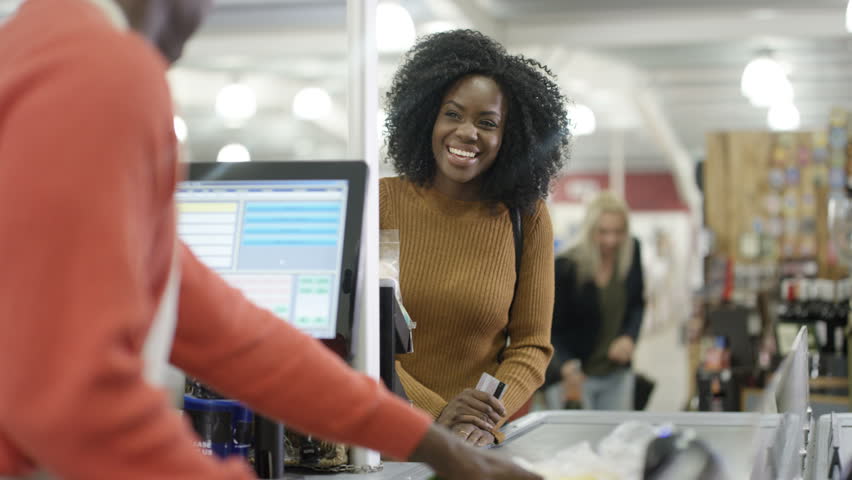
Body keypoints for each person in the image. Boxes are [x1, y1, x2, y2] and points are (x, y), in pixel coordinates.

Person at [0, 2, 540, 479]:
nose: (207, 13)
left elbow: (228, 332)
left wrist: (436, 448)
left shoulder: (39, 42)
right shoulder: (107, 69)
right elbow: (72, 403)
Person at [380, 30, 571, 446]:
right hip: (383, 443)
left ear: (509, 138)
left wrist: (478, 421)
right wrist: (436, 415)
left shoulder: (528, 218)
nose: (467, 132)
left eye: (487, 123)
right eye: (453, 114)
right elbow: (361, 339)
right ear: (428, 117)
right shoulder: (379, 204)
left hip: (473, 446)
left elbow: (531, 346)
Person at [547, 192, 645, 411]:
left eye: (618, 232)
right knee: (577, 442)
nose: (611, 240)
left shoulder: (632, 252)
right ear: (590, 230)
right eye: (603, 232)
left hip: (617, 374)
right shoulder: (566, 266)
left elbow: (637, 304)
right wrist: (565, 364)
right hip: (576, 375)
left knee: (617, 440)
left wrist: (629, 337)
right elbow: (549, 328)